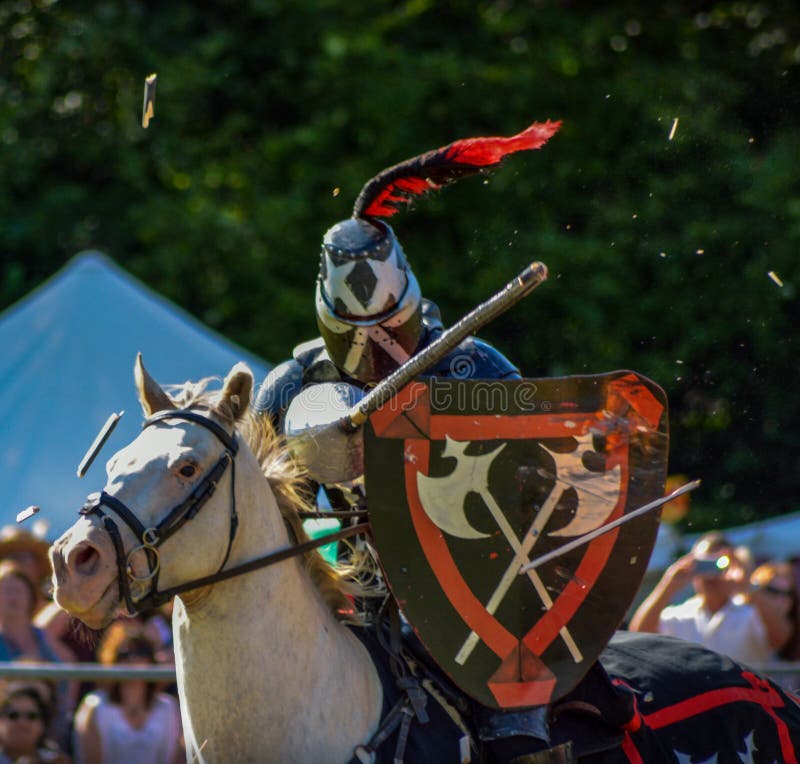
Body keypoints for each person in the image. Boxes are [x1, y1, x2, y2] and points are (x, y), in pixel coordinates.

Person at [253, 123, 563, 510]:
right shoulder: (292, 387)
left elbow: (542, 495)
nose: (372, 345)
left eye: (385, 327)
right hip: (350, 570)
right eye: (355, 332)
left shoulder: (474, 368)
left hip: (466, 563)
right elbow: (271, 524)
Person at [629, 532, 791, 666]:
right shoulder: (679, 614)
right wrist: (668, 584)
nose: (712, 573)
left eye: (720, 563)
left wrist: (746, 586)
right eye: (704, 562)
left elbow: (782, 638)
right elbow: (638, 635)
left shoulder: (752, 612)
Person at [71, 622, 183, 764]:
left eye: (141, 653)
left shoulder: (168, 707)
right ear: (113, 660)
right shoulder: (95, 706)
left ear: (151, 660)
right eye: (125, 654)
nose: (133, 660)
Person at [0, 563, 76, 750]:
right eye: (7, 590)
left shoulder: (45, 638)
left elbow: (71, 675)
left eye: (19, 590)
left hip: (52, 732)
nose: (13, 597)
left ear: (31, 596)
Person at [0, 682, 71, 764]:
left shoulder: (56, 761)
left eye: (31, 716)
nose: (22, 723)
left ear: (43, 723)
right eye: (13, 715)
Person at [0, 527, 52, 615]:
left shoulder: (64, 613)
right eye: (8, 557)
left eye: (23, 557)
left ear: (38, 566)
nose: (14, 563)